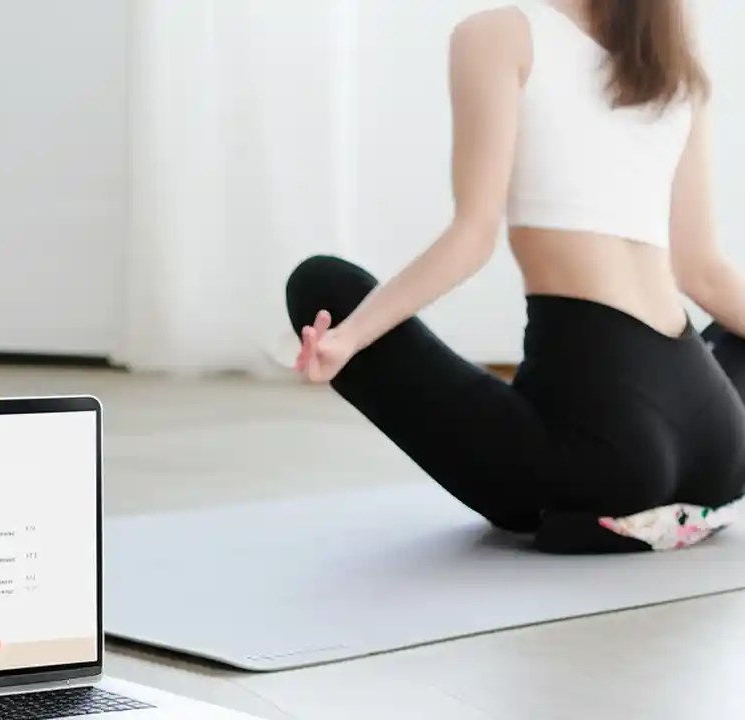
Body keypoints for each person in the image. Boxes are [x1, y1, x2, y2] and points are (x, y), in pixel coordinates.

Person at [286, 0, 745, 553]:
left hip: (607, 453)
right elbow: (704, 273)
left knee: (324, 288)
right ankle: (673, 503)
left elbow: (472, 237)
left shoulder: (499, 35)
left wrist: (349, 339)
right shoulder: (669, 55)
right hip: (721, 444)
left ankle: (613, 506)